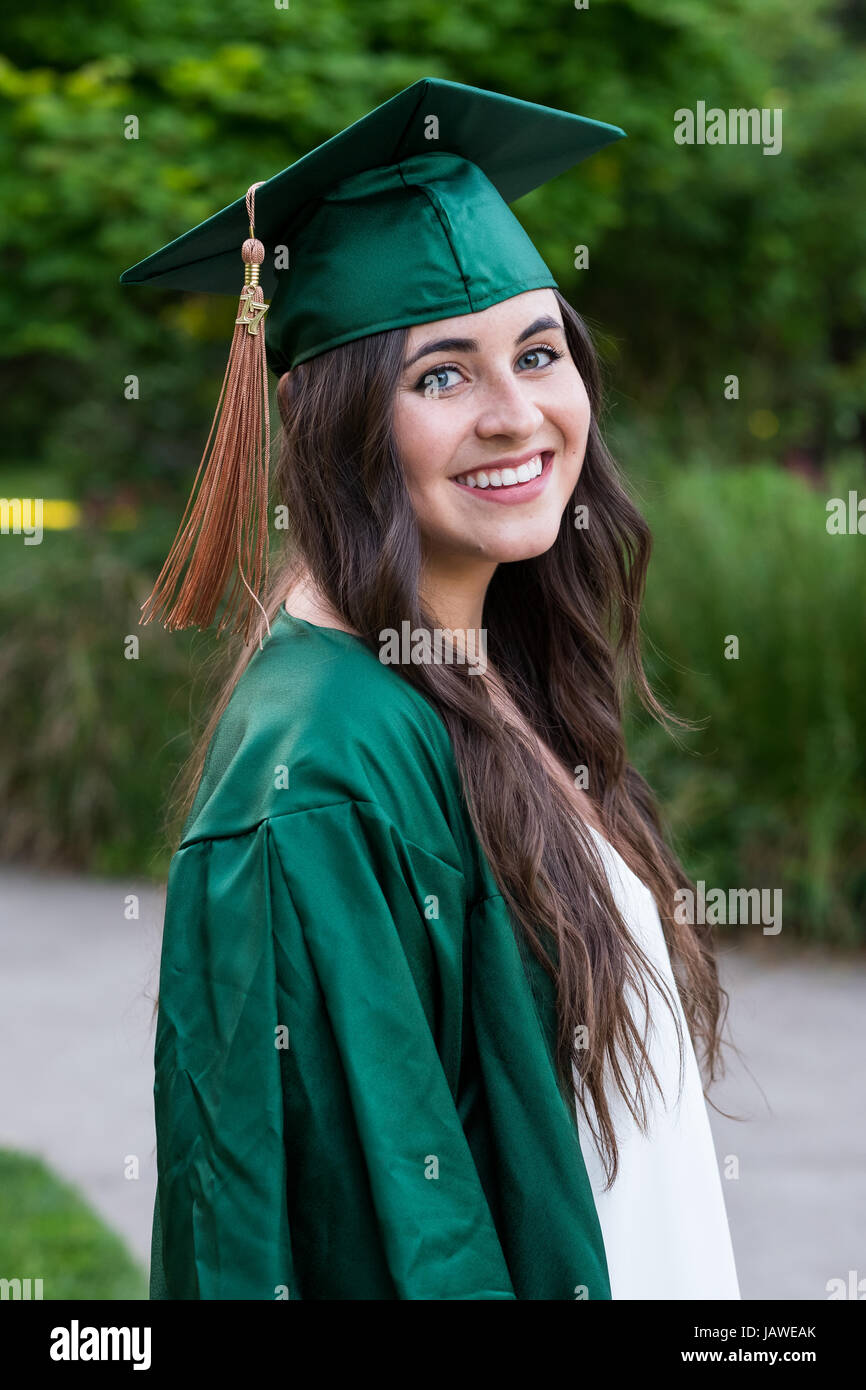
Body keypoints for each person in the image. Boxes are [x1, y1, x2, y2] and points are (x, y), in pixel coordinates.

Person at [123, 77, 740, 1300]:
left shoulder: (476, 672)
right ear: (339, 421)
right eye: (441, 377)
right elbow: (382, 1241)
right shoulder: (322, 771)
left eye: (537, 352)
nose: (518, 417)